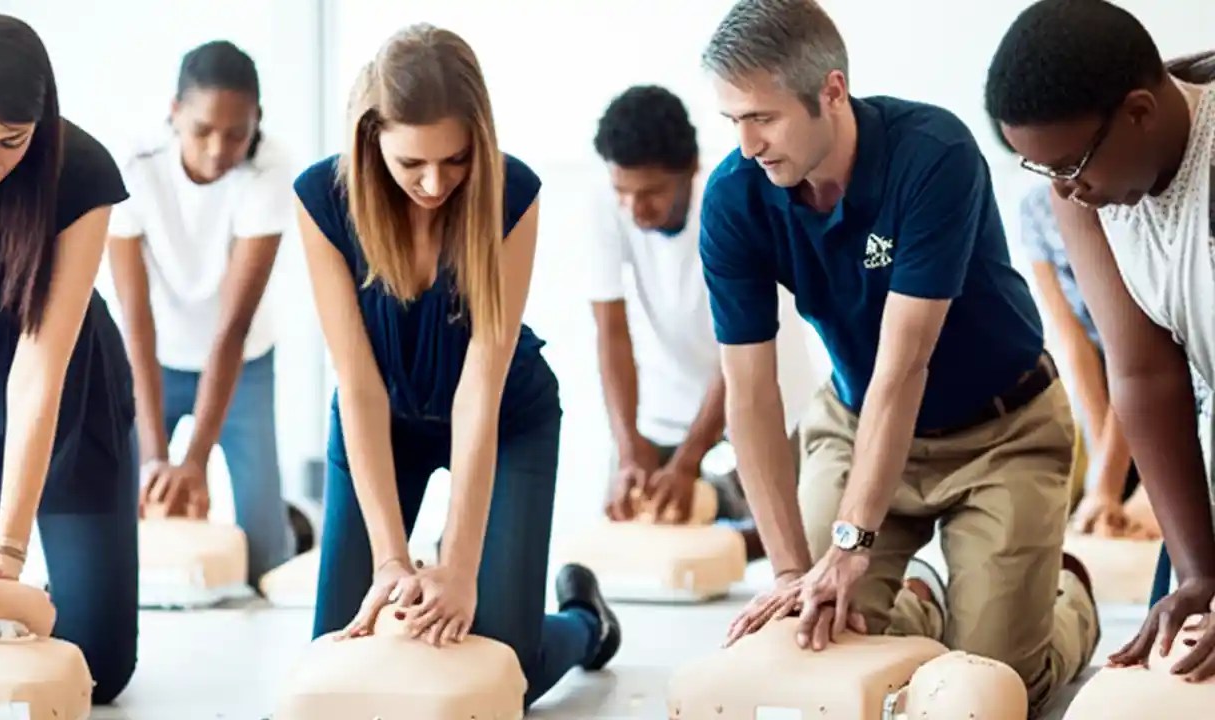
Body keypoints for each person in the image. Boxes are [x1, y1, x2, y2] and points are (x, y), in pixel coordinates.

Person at [698, 0, 1098, 712]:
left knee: (996, 686)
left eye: (762, 118)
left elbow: (903, 365)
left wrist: (850, 545)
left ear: (830, 90)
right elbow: (751, 394)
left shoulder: (932, 154)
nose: (748, 144)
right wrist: (792, 568)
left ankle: (1068, 601)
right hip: (857, 428)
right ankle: (919, 603)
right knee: (809, 630)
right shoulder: (735, 198)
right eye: (733, 121)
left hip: (1001, 436)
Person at [293, 24, 621, 709]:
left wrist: (460, 564)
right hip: (382, 419)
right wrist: (392, 559)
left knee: (503, 664)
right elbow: (355, 383)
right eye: (412, 163)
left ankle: (587, 626)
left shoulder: (513, 193)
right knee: (337, 648)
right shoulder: (322, 199)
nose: (436, 183)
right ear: (371, 138)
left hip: (507, 417)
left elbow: (483, 382)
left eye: (456, 159)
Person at [985, 0, 1215, 683]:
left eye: (1071, 164)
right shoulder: (1080, 191)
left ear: (1141, 111)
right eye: (1042, 171)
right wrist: (1198, 568)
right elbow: (1144, 373)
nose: (1066, 190)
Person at [0, 6, 137, 704]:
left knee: (102, 671)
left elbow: (39, 369)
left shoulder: (79, 171)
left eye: (11, 142)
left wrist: (11, 549)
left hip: (73, 412)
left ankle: (57, 578)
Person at [106, 40, 293, 585]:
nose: (218, 150)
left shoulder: (271, 165)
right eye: (203, 130)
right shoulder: (132, 162)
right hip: (153, 358)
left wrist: (196, 460)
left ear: (256, 123)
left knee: (264, 559)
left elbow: (232, 327)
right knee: (137, 516)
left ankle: (291, 527)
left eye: (237, 133)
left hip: (242, 364)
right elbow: (133, 317)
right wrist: (157, 460)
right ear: (175, 114)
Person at [589, 84, 762, 558]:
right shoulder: (611, 202)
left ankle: (728, 497)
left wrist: (689, 461)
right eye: (624, 192)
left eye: (651, 193)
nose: (635, 209)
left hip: (759, 390)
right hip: (669, 405)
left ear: (689, 170)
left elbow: (740, 352)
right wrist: (627, 448)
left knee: (777, 533)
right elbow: (611, 333)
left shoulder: (730, 206)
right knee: (634, 522)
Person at [1003, 128, 1158, 538]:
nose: (1068, 185)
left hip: (1156, 351)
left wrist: (1118, 480)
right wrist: (1104, 476)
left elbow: (1142, 352)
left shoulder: (1123, 196)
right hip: (1105, 360)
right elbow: (1075, 345)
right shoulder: (1036, 211)